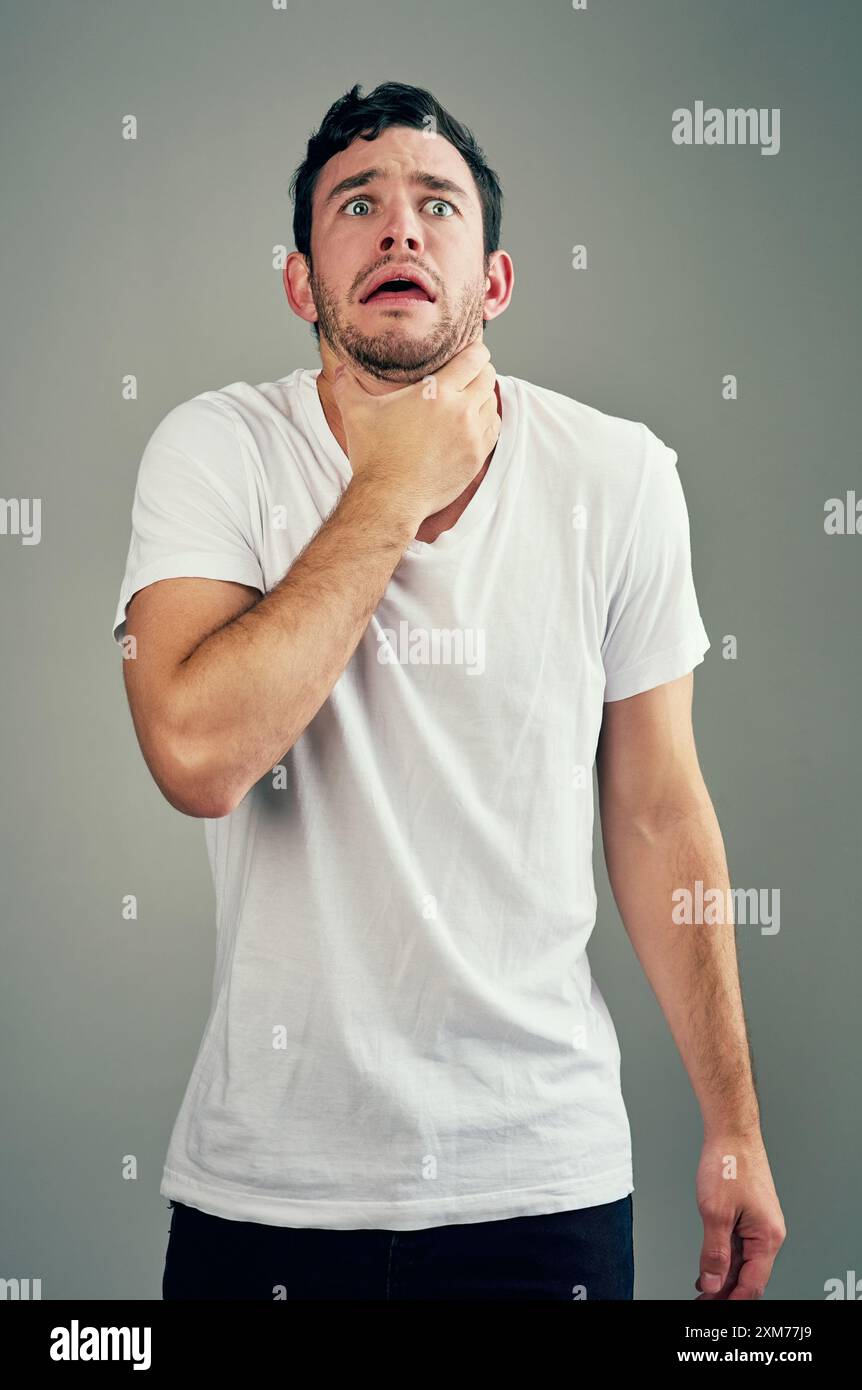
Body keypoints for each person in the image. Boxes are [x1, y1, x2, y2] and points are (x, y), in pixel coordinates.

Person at [111, 81, 785, 1301]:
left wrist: (731, 1123)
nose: (399, 229)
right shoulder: (215, 450)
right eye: (355, 204)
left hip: (541, 1184)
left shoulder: (618, 475)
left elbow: (657, 816)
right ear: (300, 285)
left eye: (438, 205)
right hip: (269, 1192)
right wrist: (390, 485)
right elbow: (199, 754)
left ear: (496, 280)